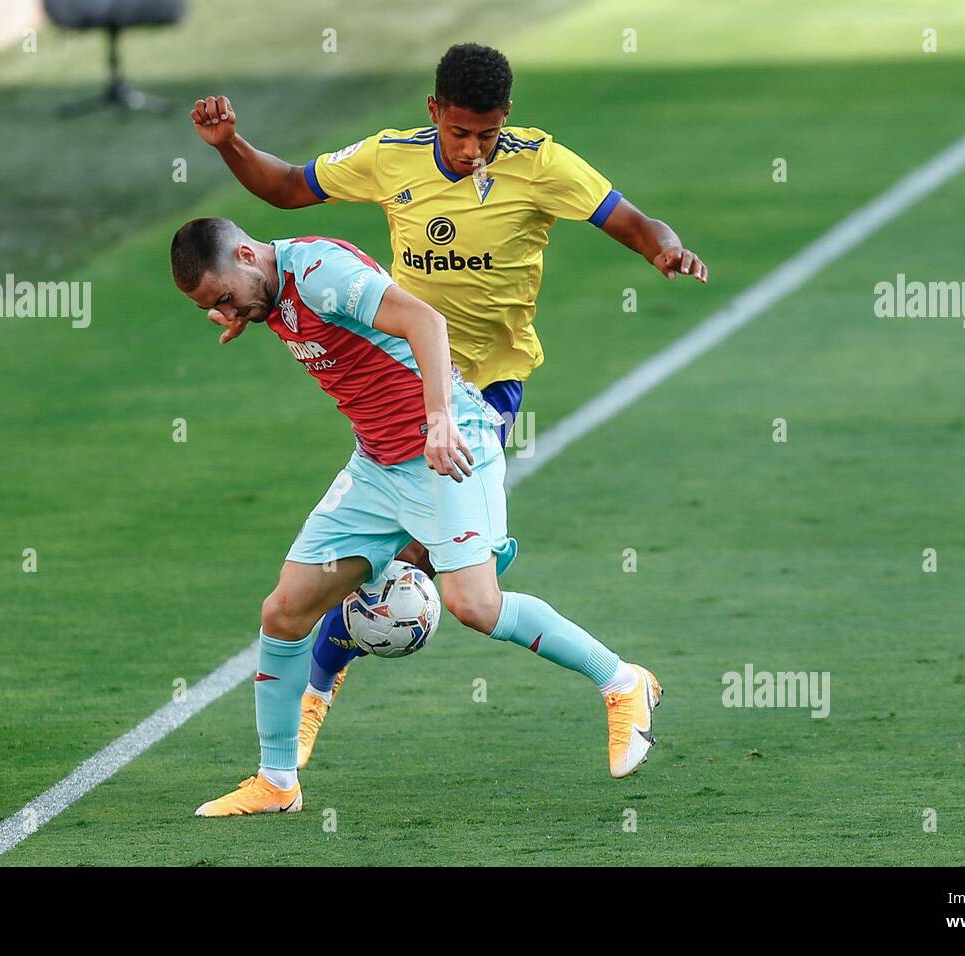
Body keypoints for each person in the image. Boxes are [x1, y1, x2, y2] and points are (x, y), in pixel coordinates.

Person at [190, 43, 700, 766]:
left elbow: (632, 220)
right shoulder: (390, 157)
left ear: (506, 121)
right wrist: (229, 144)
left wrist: (665, 250)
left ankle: (318, 693)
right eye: (459, 133)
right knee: (396, 564)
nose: (472, 150)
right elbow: (284, 190)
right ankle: (311, 703)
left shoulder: (542, 162)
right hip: (404, 375)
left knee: (423, 568)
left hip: (484, 387)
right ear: (434, 115)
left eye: (487, 136)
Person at [170, 218, 663, 814]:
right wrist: (246, 313)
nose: (226, 311)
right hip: (377, 466)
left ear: (247, 255)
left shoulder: (322, 274)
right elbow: (286, 316)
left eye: (225, 298)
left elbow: (426, 321)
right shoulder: (265, 290)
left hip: (449, 450)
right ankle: (277, 783)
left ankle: (622, 682)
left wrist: (438, 421)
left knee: (475, 605)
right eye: (214, 307)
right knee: (284, 609)